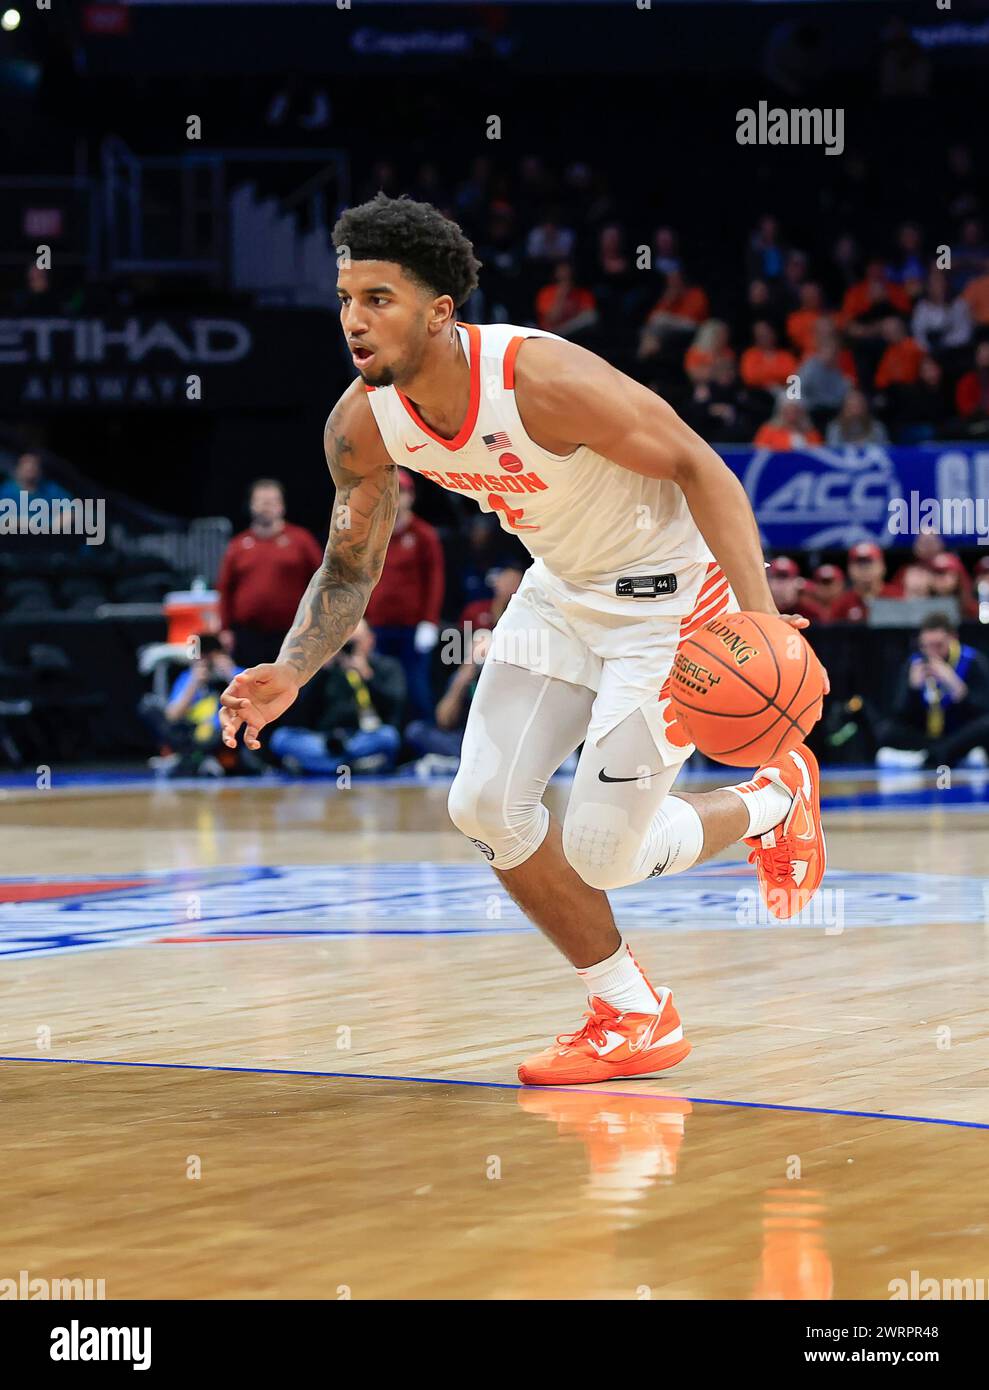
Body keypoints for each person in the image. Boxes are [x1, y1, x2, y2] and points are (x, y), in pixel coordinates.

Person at [219, 193, 827, 1088]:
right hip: (560, 596)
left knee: (602, 852)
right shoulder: (361, 423)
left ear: (439, 311)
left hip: (673, 606)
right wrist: (293, 668)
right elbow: (350, 566)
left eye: (377, 298)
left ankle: (777, 799)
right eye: (346, 298)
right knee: (483, 807)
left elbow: (701, 463)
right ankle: (630, 1012)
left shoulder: (537, 379)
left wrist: (757, 616)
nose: (354, 319)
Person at [269, 619, 405, 775]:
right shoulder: (323, 669)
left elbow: (394, 707)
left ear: (370, 640)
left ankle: (319, 766)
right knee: (281, 738)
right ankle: (351, 766)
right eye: (342, 642)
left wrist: (367, 677)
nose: (347, 648)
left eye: (354, 642)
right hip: (322, 740)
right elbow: (297, 713)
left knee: (388, 736)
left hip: (363, 737)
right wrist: (323, 670)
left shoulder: (386, 667)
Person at [363, 467, 444, 719]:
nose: (395, 498)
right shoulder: (372, 534)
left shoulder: (424, 536)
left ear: (411, 497)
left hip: (412, 629)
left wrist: (429, 622)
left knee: (416, 688)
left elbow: (435, 580)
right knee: (381, 689)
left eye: (401, 492)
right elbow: (362, 579)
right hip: (378, 627)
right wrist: (361, 620)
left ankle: (423, 743)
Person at [217, 479, 324, 668]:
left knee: (291, 690)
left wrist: (319, 625)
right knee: (251, 689)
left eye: (272, 502)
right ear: (250, 505)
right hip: (249, 637)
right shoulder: (238, 545)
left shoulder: (301, 541)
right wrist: (224, 629)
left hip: (293, 634)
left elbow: (323, 582)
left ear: (281, 506)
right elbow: (225, 590)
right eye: (262, 502)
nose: (267, 507)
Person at [876, 614, 989, 768]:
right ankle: (945, 754)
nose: (932, 652)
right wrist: (913, 689)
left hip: (958, 732)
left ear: (953, 638)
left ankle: (930, 757)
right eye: (926, 646)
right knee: (885, 731)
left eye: (938, 646)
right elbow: (900, 714)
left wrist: (956, 687)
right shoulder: (914, 663)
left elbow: (983, 709)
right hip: (926, 736)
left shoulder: (972, 660)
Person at [140, 634, 245, 778]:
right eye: (203, 653)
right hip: (190, 732)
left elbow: (250, 702)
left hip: (222, 731)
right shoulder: (188, 677)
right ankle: (190, 758)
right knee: (149, 708)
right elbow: (173, 716)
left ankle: (193, 760)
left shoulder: (236, 674)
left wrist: (228, 673)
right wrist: (194, 683)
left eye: (212, 653)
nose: (207, 658)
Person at [829, 541, 895, 622]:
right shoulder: (842, 604)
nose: (865, 569)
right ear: (850, 569)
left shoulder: (896, 596)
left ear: (882, 566)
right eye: (859, 563)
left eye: (869, 562)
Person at [825, 390, 889, 446]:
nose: (855, 412)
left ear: (865, 408)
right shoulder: (835, 428)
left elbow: (886, 451)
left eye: (859, 407)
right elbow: (832, 452)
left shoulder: (877, 428)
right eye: (851, 407)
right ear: (844, 409)